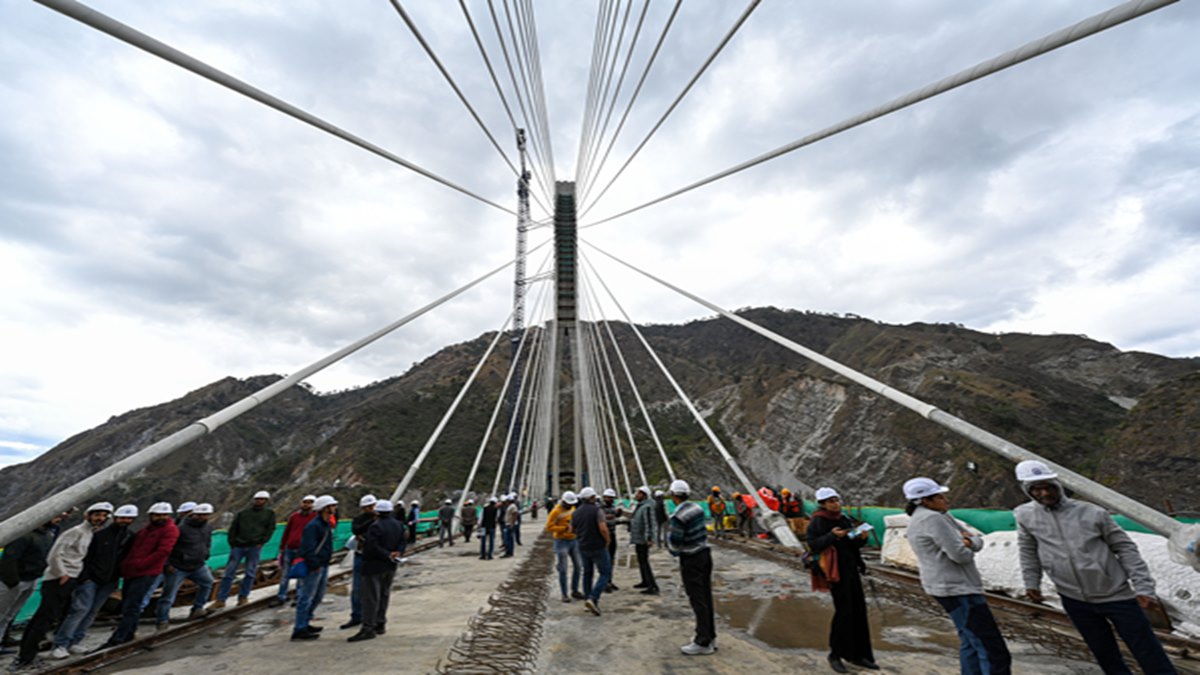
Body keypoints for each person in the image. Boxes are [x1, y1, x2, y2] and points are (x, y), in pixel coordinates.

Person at [1014, 460, 1176, 675]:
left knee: (1146, 649)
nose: (1044, 493)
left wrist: (1143, 587)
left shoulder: (1092, 513)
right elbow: (1028, 551)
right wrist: (1031, 583)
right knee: (1105, 654)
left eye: (1048, 487)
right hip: (1074, 598)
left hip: (1116, 595)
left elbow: (1125, 548)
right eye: (1036, 489)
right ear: (1028, 491)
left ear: (1058, 486)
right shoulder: (1024, 515)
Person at [904, 477, 1011, 675]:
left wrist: (971, 542)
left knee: (970, 641)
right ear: (925, 500)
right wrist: (969, 545)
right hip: (958, 589)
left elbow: (973, 538)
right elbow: (960, 554)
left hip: (948, 587)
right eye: (940, 496)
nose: (946, 500)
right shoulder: (932, 519)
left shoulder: (938, 516)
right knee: (991, 647)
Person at [10, 503, 106, 669]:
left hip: (70, 578)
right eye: (97, 515)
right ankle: (25, 657)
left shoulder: (89, 533)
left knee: (50, 617)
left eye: (104, 516)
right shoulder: (75, 532)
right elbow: (55, 555)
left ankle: (29, 654)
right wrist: (62, 574)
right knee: (43, 619)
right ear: (88, 515)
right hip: (58, 579)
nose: (100, 519)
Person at [51, 505, 135, 658]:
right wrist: (85, 577)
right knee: (79, 610)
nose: (125, 521)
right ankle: (61, 644)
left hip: (109, 580)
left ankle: (75, 641)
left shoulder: (129, 536)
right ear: (115, 518)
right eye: (122, 517)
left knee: (92, 612)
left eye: (128, 518)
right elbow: (86, 556)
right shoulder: (99, 534)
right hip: (91, 578)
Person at [807, 487, 876, 673]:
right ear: (823, 504)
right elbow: (813, 544)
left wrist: (861, 539)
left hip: (850, 569)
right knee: (844, 612)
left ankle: (859, 655)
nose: (836, 504)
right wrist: (831, 536)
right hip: (835, 572)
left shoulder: (843, 518)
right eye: (831, 501)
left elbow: (851, 543)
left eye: (836, 500)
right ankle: (835, 654)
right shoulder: (818, 521)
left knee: (858, 611)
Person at [101, 502, 179, 648]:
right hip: (132, 572)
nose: (160, 517)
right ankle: (129, 634)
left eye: (163, 515)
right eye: (157, 515)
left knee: (132, 606)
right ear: (151, 516)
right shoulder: (145, 531)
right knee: (128, 604)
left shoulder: (169, 530)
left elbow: (163, 551)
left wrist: (141, 564)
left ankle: (119, 638)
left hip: (145, 572)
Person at [666, 480, 716, 656]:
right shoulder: (698, 509)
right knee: (706, 597)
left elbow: (675, 543)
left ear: (673, 495)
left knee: (697, 599)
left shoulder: (678, 516)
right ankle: (710, 636)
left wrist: (672, 549)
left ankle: (703, 641)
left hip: (691, 559)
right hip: (705, 555)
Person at [347, 500, 405, 642]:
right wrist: (397, 553)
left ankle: (368, 628)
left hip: (373, 566)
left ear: (377, 512)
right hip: (391, 565)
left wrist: (386, 554)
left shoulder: (375, 526)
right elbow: (403, 541)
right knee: (384, 594)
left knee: (371, 597)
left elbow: (371, 547)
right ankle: (380, 623)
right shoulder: (398, 525)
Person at [0, 518, 59, 648]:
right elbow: (9, 558)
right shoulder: (23, 536)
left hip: (32, 579)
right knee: (2, 614)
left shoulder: (47, 536)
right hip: (17, 581)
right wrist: (13, 581)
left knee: (9, 615)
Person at [155, 503, 215, 629]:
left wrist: (205, 554)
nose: (201, 517)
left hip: (197, 565)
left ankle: (197, 609)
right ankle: (162, 620)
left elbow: (207, 542)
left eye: (205, 515)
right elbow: (168, 547)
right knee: (169, 594)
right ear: (193, 514)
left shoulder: (207, 527)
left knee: (207, 583)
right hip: (178, 566)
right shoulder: (180, 529)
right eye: (199, 515)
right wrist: (168, 564)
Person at [213, 490, 276, 609]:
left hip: (254, 547)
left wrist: (262, 541)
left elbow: (270, 529)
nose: (259, 501)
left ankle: (243, 597)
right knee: (228, 573)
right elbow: (233, 528)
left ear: (266, 501)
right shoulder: (243, 513)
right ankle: (221, 599)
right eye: (258, 499)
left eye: (262, 499)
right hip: (239, 546)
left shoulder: (269, 514)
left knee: (250, 573)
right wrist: (233, 543)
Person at [292, 495, 338, 641]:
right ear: (325, 508)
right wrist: (314, 564)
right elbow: (308, 547)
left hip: (322, 564)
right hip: (315, 566)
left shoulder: (324, 524)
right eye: (332, 506)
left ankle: (305, 622)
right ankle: (299, 628)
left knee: (318, 595)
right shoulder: (314, 526)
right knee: (306, 596)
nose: (334, 508)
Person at [570, 487, 611, 617]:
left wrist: (582, 535)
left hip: (583, 546)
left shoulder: (575, 513)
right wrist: (607, 540)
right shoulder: (597, 510)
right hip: (597, 546)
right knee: (605, 573)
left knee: (587, 573)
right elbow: (603, 528)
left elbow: (572, 529)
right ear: (592, 498)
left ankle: (587, 600)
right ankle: (593, 598)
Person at [273, 494, 317, 608]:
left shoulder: (315, 518)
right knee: (285, 574)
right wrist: (282, 547)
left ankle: (299, 596)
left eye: (310, 502)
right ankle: (281, 596)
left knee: (301, 574)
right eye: (305, 502)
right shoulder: (294, 516)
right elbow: (287, 531)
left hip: (303, 550)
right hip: (289, 548)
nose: (306, 504)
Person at [341, 494, 377, 631]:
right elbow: (356, 529)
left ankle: (372, 618)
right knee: (357, 588)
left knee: (373, 589)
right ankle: (357, 616)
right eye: (368, 507)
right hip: (361, 555)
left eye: (372, 506)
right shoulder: (360, 520)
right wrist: (371, 520)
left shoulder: (382, 519)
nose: (371, 509)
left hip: (375, 557)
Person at [546, 492, 583, 602]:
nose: (569, 505)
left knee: (578, 566)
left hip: (574, 540)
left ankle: (575, 590)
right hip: (561, 541)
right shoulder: (555, 511)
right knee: (563, 569)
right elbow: (549, 527)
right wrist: (564, 528)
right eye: (568, 503)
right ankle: (564, 594)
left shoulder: (573, 508)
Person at [630, 486, 659, 595]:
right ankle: (645, 581)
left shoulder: (647, 507)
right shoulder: (641, 505)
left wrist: (649, 538)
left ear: (644, 495)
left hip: (643, 539)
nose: (636, 495)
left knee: (644, 562)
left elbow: (649, 523)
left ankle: (652, 586)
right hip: (638, 538)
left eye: (639, 493)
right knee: (641, 561)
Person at [600, 488, 621, 591]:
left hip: (613, 534)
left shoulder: (613, 507)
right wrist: (608, 517)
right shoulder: (599, 508)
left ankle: (609, 581)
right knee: (605, 560)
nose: (611, 499)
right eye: (609, 497)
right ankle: (604, 583)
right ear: (604, 497)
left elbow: (614, 518)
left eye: (612, 498)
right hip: (604, 537)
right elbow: (601, 520)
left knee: (611, 559)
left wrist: (617, 514)